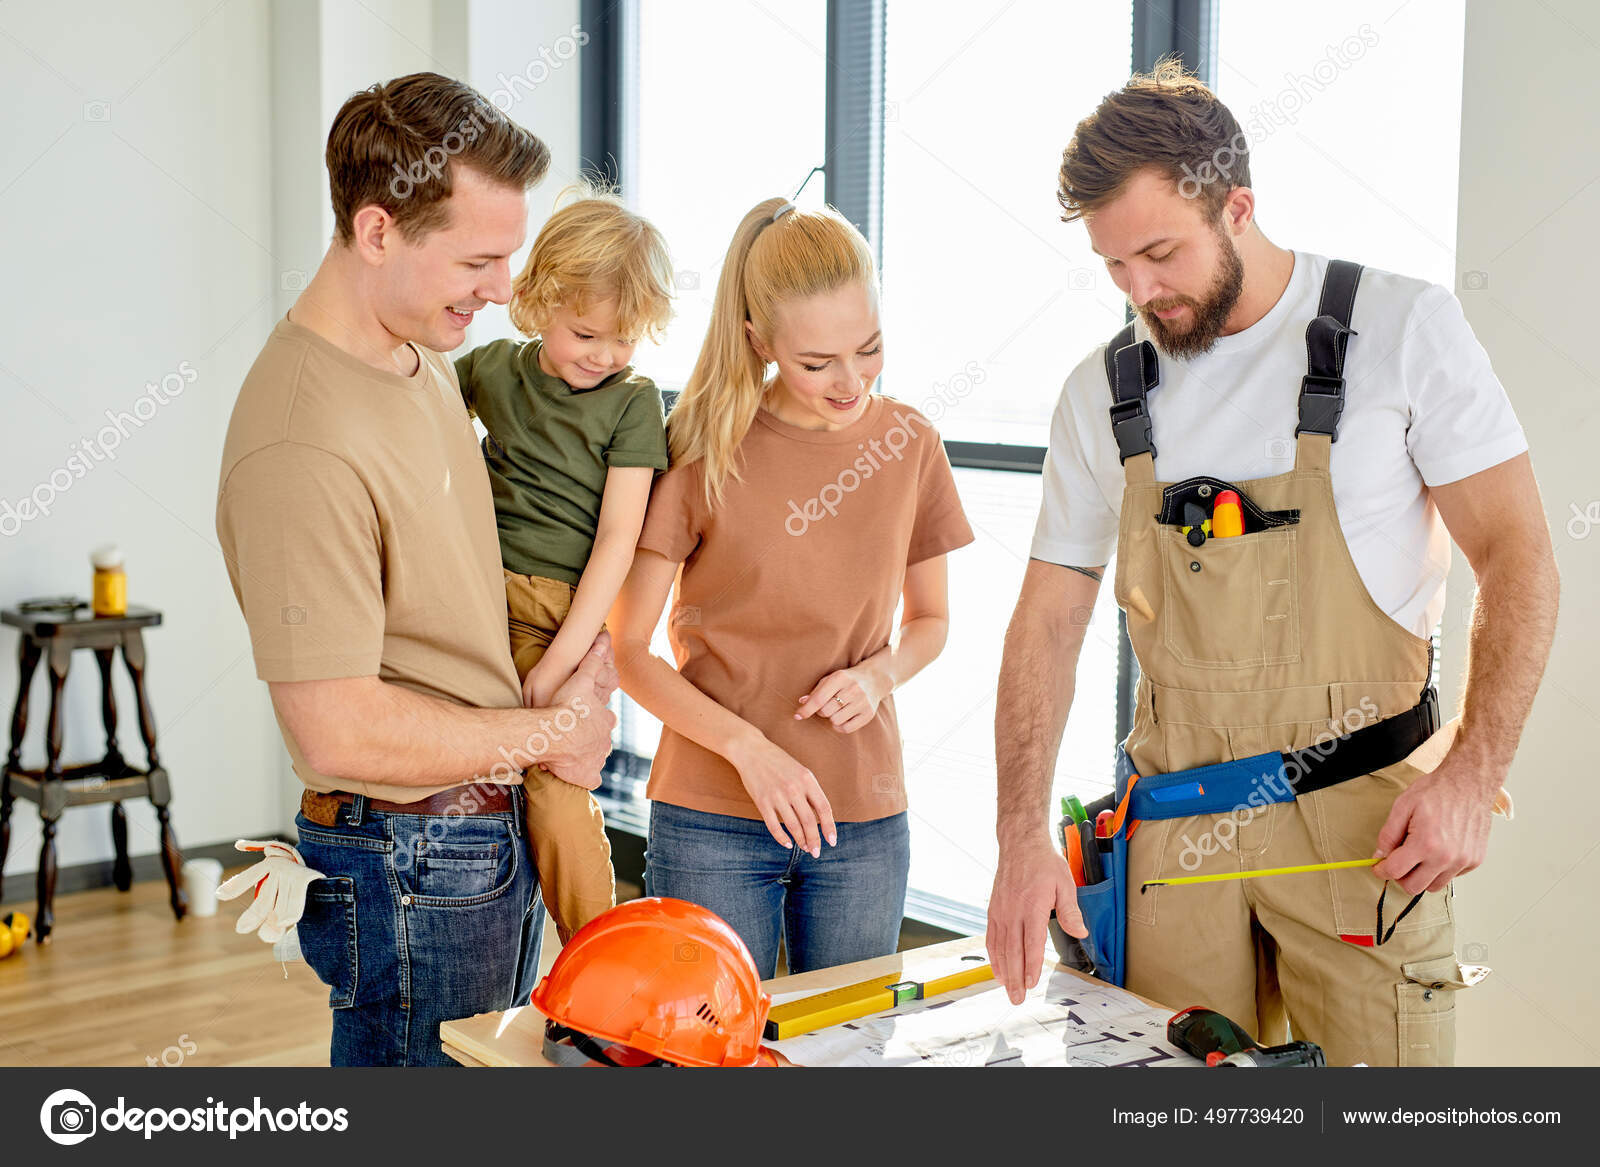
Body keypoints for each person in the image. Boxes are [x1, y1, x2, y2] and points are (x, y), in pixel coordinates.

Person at [986, 62, 1558, 1066]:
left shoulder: (1401, 331)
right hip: (1175, 840)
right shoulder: (1100, 393)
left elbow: (1519, 558)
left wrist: (1474, 773)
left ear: (1237, 207)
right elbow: (1045, 621)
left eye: (1159, 253)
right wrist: (1017, 835)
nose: (1139, 292)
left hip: (1366, 835)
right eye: (1113, 266)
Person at [215, 72, 618, 1067]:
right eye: (478, 260)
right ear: (377, 231)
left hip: (475, 840)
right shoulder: (301, 441)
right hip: (411, 859)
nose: (503, 289)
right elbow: (337, 726)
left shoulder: (422, 353)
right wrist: (553, 733)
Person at [609, 198, 974, 977]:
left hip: (861, 819)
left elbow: (933, 620)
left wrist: (878, 676)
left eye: (869, 348)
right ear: (759, 340)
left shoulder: (910, 443)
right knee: (707, 1041)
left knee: (849, 1042)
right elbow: (627, 648)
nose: (851, 381)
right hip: (711, 816)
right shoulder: (703, 446)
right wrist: (750, 750)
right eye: (817, 363)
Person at [454, 190, 675, 942]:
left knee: (553, 784)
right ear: (538, 301)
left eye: (624, 340)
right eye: (586, 334)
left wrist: (559, 661)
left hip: (559, 617)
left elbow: (617, 540)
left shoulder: (632, 403)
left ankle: (597, 948)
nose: (604, 356)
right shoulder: (490, 370)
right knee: (462, 772)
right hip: (469, 600)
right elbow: (417, 421)